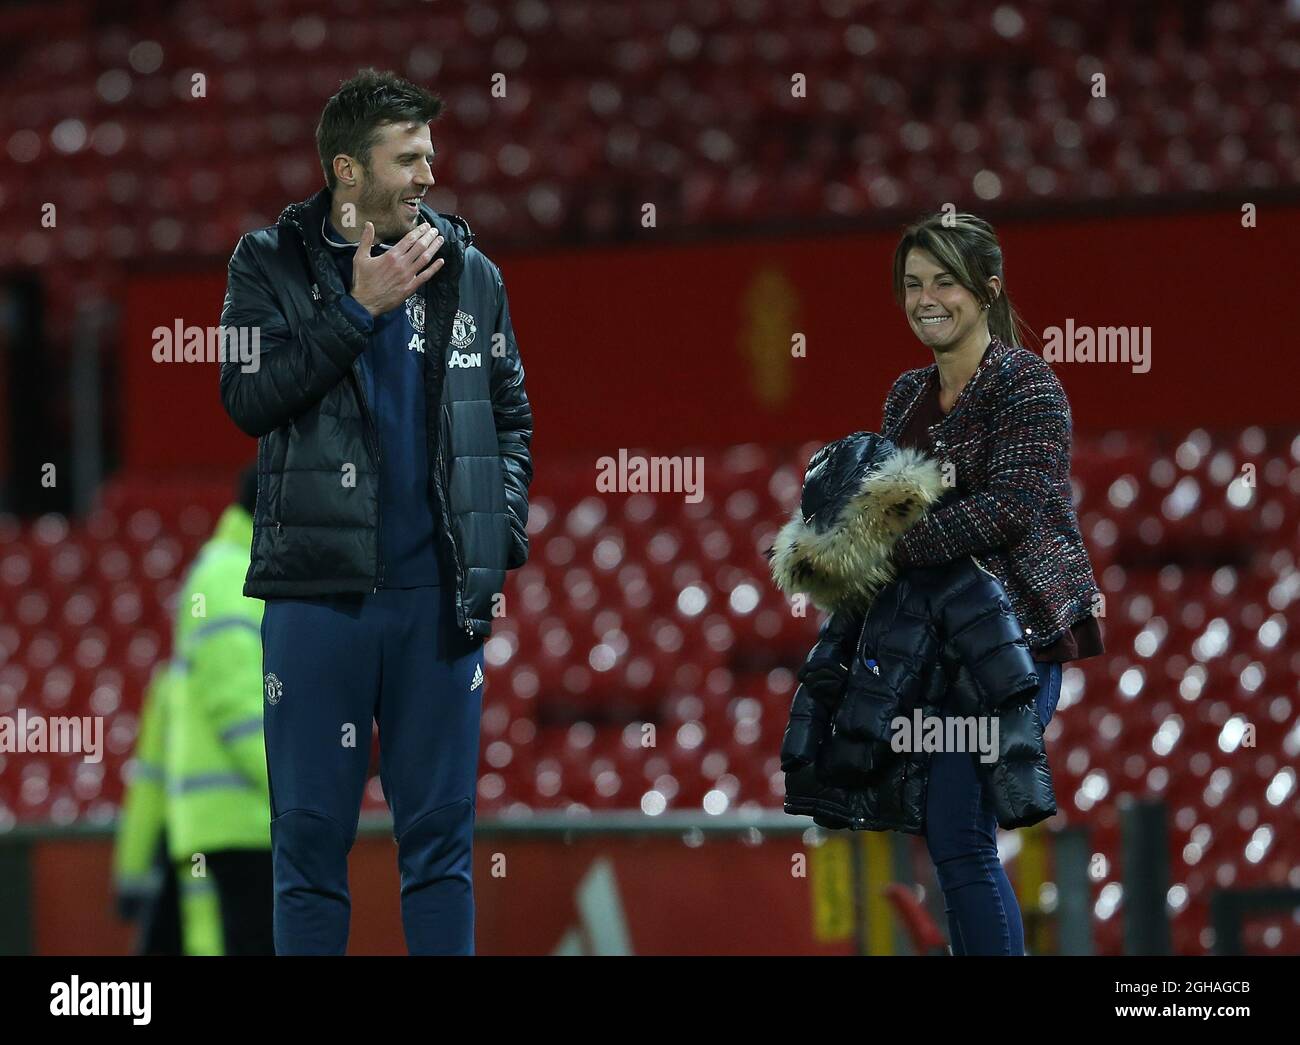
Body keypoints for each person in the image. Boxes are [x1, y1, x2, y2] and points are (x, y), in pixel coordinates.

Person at [217, 68, 533, 955]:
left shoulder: (470, 271)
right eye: (410, 157)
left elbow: (511, 416)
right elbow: (246, 396)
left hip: (438, 601)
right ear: (348, 172)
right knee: (310, 842)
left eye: (431, 153)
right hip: (320, 599)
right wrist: (357, 311)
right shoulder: (267, 265)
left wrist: (494, 533)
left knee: (440, 846)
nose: (430, 173)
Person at [882, 212, 1105, 954]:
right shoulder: (904, 397)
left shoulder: (1029, 383)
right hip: (941, 648)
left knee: (962, 830)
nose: (927, 298)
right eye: (914, 284)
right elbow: (883, 504)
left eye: (944, 280)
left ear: (988, 287)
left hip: (1020, 639)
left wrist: (895, 544)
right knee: (950, 834)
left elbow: (1009, 509)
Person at [166, 463, 272, 955]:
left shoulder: (233, 569)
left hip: (237, 821)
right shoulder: (230, 573)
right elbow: (236, 704)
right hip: (240, 821)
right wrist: (293, 786)